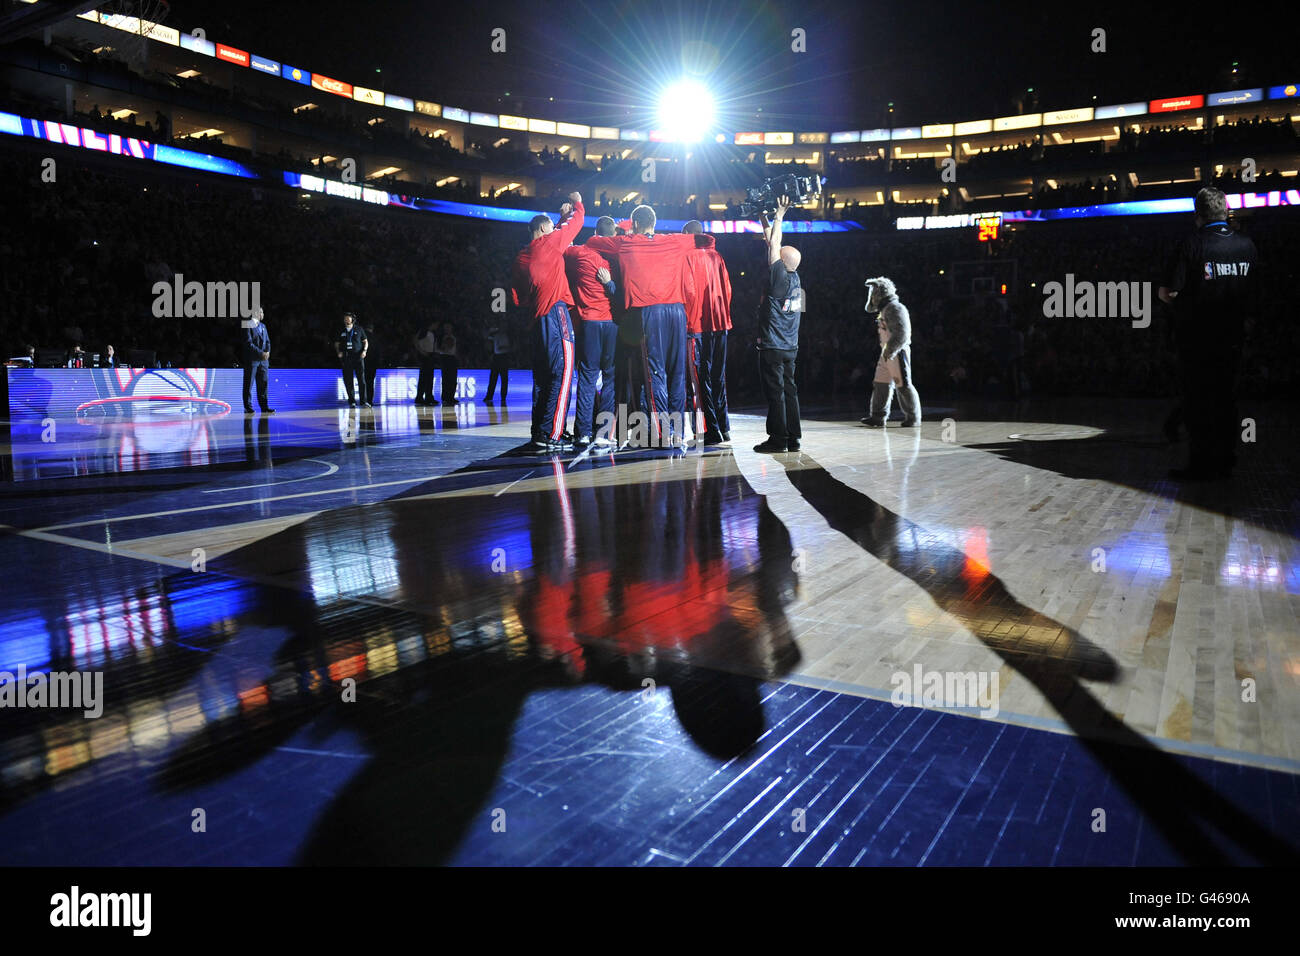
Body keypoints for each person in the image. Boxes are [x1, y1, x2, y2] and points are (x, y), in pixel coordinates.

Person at [1158, 186, 1258, 480]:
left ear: (1197, 215)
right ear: (1226, 212)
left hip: (1197, 339)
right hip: (1233, 337)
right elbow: (1253, 293)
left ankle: (1200, 464)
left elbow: (1167, 292)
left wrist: (1187, 303)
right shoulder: (1247, 245)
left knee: (1198, 401)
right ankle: (1226, 460)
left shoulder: (1191, 244)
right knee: (1227, 400)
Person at [585, 205, 698, 448]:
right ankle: (678, 433)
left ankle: (664, 433)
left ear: (635, 224)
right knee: (677, 373)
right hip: (677, 310)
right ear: (655, 223)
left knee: (655, 372)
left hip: (649, 310)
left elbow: (594, 241)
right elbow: (706, 239)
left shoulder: (625, 242)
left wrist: (625, 228)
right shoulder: (674, 240)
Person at [511, 191, 585, 452]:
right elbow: (577, 222)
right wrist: (576, 202)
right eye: (551, 226)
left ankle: (540, 430)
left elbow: (518, 298)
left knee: (542, 378)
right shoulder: (550, 244)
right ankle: (552, 433)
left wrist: (558, 220)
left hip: (536, 320)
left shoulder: (520, 258)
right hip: (556, 314)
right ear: (544, 228)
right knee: (563, 374)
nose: (555, 229)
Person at [563, 216, 619, 447]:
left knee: (587, 378)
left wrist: (566, 218)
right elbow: (623, 292)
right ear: (613, 234)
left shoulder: (578, 253)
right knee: (609, 378)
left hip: (589, 323)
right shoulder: (617, 257)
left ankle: (582, 433)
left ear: (595, 231)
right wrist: (609, 284)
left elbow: (559, 244)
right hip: (611, 324)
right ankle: (603, 434)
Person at [753, 196, 802, 453]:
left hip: (773, 345)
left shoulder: (778, 279)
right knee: (790, 392)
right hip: (790, 346)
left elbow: (774, 246)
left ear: (781, 264)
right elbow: (772, 244)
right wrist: (763, 217)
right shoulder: (796, 280)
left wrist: (780, 214)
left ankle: (778, 439)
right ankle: (793, 438)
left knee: (776, 394)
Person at [682, 220, 733, 445]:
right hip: (720, 323)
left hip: (696, 325)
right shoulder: (717, 256)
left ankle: (711, 430)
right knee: (717, 377)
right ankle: (724, 426)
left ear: (686, 234)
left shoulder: (687, 257)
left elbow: (688, 292)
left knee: (699, 379)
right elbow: (727, 290)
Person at [861, 277, 921, 427]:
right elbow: (870, 309)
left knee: (903, 384)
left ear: (881, 293)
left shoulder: (895, 308)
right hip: (887, 352)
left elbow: (902, 333)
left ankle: (913, 417)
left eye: (874, 293)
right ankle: (878, 416)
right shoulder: (886, 308)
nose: (872, 296)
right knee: (881, 383)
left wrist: (890, 350)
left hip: (897, 351)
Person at [242, 307, 274, 414]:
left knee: (263, 384)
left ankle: (264, 406)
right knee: (249, 384)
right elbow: (248, 343)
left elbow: (268, 341)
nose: (263, 314)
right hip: (252, 360)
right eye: (261, 312)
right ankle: (248, 407)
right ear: (256, 313)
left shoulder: (263, 326)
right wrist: (261, 353)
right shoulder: (247, 325)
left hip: (264, 361)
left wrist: (267, 352)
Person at [337, 311, 370, 408]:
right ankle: (352, 401)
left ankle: (364, 401)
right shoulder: (341, 330)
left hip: (358, 357)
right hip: (347, 358)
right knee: (348, 380)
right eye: (345, 318)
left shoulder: (359, 329)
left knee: (361, 380)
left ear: (352, 320)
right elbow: (337, 343)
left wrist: (364, 351)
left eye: (348, 318)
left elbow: (366, 342)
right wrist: (338, 351)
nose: (346, 320)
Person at [484, 321, 512, 403]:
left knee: (504, 379)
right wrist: (491, 330)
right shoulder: (495, 335)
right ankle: (489, 396)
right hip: (496, 357)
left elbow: (510, 348)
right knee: (493, 378)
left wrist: (503, 348)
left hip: (503, 357)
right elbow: (485, 336)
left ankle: (503, 397)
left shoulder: (507, 336)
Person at [414, 322, 439, 405]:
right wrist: (422, 352)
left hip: (431, 355)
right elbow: (416, 342)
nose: (436, 326)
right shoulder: (423, 332)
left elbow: (434, 345)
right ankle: (419, 397)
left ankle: (429, 397)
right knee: (423, 377)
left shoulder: (433, 334)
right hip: (425, 356)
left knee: (430, 378)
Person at [436, 322, 459, 405]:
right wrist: (443, 349)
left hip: (452, 358)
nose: (448, 329)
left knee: (453, 378)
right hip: (444, 357)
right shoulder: (441, 337)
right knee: (446, 378)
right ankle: (445, 397)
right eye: (446, 327)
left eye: (449, 327)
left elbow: (454, 348)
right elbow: (437, 348)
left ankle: (451, 396)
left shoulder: (453, 337)